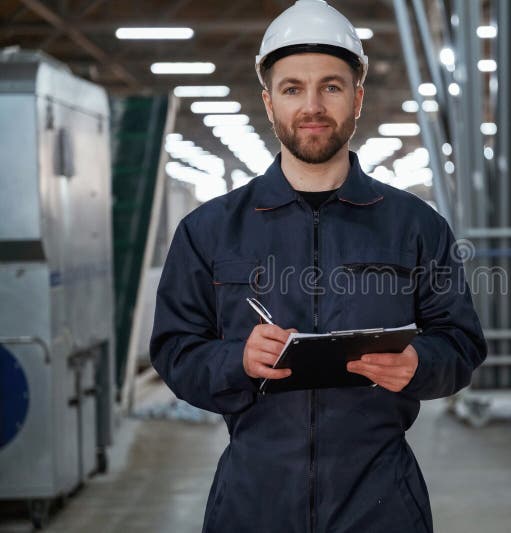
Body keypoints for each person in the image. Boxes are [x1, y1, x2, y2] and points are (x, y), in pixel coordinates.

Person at [149, 1, 487, 532]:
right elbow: (175, 349)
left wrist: (419, 363)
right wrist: (236, 361)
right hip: (252, 501)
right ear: (268, 102)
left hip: (381, 503)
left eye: (331, 86)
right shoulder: (209, 230)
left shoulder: (416, 227)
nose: (312, 106)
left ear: (357, 97)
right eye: (292, 89)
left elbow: (462, 342)